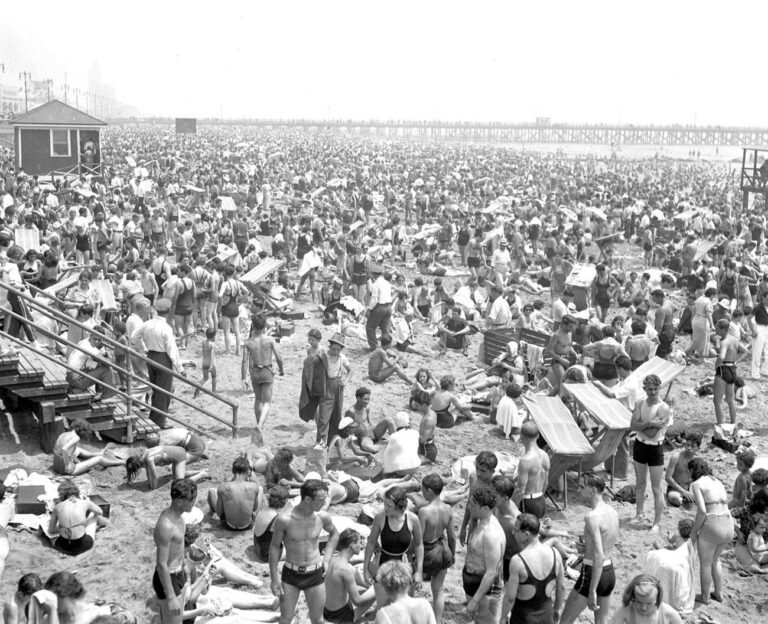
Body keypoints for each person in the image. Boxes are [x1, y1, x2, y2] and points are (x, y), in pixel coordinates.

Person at [269, 479, 339, 624]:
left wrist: (326, 560)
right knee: (285, 619)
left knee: (317, 620)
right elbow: (274, 547)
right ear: (307, 499)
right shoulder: (284, 519)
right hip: (291, 574)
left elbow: (334, 534)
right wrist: (274, 579)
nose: (325, 503)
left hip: (315, 573)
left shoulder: (322, 517)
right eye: (321, 500)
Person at [559, 474, 618, 624]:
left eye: (582, 487)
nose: (578, 491)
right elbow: (606, 544)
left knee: (565, 621)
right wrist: (587, 547)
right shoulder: (613, 512)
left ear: (593, 490)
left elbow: (599, 555)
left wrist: (592, 590)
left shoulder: (592, 517)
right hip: (609, 572)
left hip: (593, 573)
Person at [500, 512, 565, 624]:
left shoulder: (518, 561)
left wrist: (503, 618)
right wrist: (557, 610)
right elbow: (561, 588)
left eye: (516, 530)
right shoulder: (555, 554)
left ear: (526, 534)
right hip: (547, 616)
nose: (512, 532)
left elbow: (510, 597)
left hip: (524, 618)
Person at [688, 457, 733, 604]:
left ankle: (705, 597)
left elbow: (702, 511)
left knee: (706, 563)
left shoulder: (696, 484)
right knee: (715, 560)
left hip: (714, 525)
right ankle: (719, 593)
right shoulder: (717, 481)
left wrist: (694, 531)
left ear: (693, 470)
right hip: (728, 524)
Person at [154, 478, 198, 624]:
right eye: (191, 500)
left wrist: (184, 563)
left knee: (175, 618)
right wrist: (171, 596)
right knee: (175, 621)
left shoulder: (178, 517)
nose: (194, 502)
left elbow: (177, 547)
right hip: (168, 578)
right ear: (179, 501)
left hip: (178, 574)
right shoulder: (166, 526)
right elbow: (161, 564)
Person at [631, 374, 672, 532]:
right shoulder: (640, 402)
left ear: (660, 388)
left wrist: (641, 425)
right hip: (640, 445)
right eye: (650, 389)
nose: (653, 392)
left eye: (656, 389)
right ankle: (639, 513)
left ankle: (656, 522)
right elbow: (632, 425)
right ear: (645, 389)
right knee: (640, 483)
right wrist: (649, 422)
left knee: (656, 488)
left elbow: (652, 434)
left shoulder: (663, 408)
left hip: (655, 448)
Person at [134, 297, 182, 429]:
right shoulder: (166, 328)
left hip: (151, 356)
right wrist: (180, 368)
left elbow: (134, 337)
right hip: (162, 359)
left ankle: (154, 417)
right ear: (169, 311)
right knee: (163, 392)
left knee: (155, 388)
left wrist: (143, 348)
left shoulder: (147, 324)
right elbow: (172, 350)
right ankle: (159, 421)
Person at [364, 486, 424, 590]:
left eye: (389, 505)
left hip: (404, 566)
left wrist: (419, 571)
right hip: (383, 565)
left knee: (404, 600)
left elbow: (419, 545)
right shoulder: (380, 517)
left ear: (399, 506)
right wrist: (365, 569)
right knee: (382, 600)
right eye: (384, 504)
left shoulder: (412, 519)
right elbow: (371, 542)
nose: (385, 508)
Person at [463, 485, 506, 623]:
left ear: (485, 509)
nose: (468, 507)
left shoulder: (491, 534)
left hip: (485, 584)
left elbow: (491, 572)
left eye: (472, 504)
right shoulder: (480, 521)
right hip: (472, 577)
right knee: (477, 619)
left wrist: (475, 600)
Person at [418, 474, 455, 624]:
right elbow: (452, 537)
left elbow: (419, 540)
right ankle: (437, 621)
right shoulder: (448, 509)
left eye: (423, 490)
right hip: (444, 549)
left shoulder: (424, 511)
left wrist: (413, 557)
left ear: (429, 491)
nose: (422, 493)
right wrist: (453, 555)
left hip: (428, 552)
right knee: (438, 589)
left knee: (411, 587)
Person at [242, 313, 284, 444]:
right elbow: (278, 357)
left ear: (253, 326)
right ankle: (260, 425)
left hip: (255, 372)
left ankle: (259, 423)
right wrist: (281, 370)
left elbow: (244, 361)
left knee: (258, 399)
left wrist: (244, 377)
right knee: (267, 402)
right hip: (267, 370)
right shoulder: (270, 340)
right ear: (265, 325)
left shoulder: (248, 342)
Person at [642, 518, 697, 614]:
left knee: (652, 556)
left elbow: (673, 547)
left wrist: (668, 541)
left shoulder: (679, 539)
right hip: (678, 563)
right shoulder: (692, 544)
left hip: (673, 564)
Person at [323, 529, 375, 624]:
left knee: (353, 570)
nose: (361, 545)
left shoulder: (333, 559)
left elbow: (349, 566)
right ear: (352, 545)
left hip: (326, 611)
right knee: (375, 593)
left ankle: (369, 585)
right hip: (340, 617)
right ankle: (373, 587)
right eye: (360, 542)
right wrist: (374, 590)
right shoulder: (346, 570)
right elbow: (357, 601)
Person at [48, 480, 106, 556]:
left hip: (63, 547)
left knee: (54, 537)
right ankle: (105, 524)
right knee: (94, 514)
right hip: (83, 546)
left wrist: (64, 528)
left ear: (61, 494)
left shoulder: (57, 507)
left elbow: (51, 530)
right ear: (76, 492)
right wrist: (89, 503)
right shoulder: (85, 502)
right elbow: (100, 512)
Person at [207, 455, 261, 531]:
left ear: (233, 471)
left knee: (212, 491)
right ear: (247, 471)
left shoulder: (223, 487)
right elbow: (254, 508)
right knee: (260, 489)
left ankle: (211, 512)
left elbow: (219, 512)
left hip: (228, 526)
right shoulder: (254, 486)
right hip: (247, 526)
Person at [52, 420, 124, 476]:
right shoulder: (76, 438)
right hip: (66, 470)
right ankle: (121, 462)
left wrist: (78, 462)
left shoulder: (64, 434)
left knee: (78, 449)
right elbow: (64, 449)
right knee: (100, 459)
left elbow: (63, 451)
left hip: (56, 465)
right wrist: (67, 465)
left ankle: (98, 453)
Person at [126, 443, 208, 491]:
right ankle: (200, 471)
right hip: (176, 451)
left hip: (179, 456)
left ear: (139, 466)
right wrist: (149, 483)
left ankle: (202, 475)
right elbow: (148, 473)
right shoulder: (144, 455)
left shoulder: (149, 459)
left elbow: (154, 476)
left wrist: (153, 488)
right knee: (176, 474)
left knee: (179, 484)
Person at [65, 326, 117, 400]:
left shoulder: (84, 341)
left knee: (99, 365)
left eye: (99, 340)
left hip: (73, 377)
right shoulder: (87, 346)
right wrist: (106, 358)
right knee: (106, 369)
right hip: (76, 380)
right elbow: (108, 363)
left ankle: (99, 393)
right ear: (91, 335)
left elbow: (93, 362)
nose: (96, 342)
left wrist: (102, 354)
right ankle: (107, 397)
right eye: (95, 339)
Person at [713, 318, 748, 424]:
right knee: (730, 400)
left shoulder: (724, 341)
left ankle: (721, 425)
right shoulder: (734, 339)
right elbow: (745, 351)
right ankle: (733, 423)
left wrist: (717, 365)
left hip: (723, 370)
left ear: (723, 329)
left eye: (717, 328)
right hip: (733, 370)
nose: (715, 330)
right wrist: (736, 361)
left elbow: (722, 356)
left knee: (717, 401)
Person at [513, 421, 550, 519]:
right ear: (538, 436)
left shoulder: (525, 460)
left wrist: (512, 506)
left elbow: (520, 490)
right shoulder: (545, 456)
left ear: (521, 437)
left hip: (528, 502)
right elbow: (546, 483)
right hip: (541, 500)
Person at [611, 574, 682, 624]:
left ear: (657, 599)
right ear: (632, 597)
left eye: (649, 603)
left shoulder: (668, 613)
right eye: (639, 602)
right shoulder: (626, 611)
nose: (643, 608)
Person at [345, 386, 396, 453]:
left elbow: (369, 422)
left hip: (374, 432)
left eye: (368, 399)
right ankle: (380, 446)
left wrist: (379, 429)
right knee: (369, 448)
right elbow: (345, 428)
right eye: (365, 399)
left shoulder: (366, 408)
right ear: (358, 398)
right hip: (364, 437)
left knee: (388, 420)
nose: (367, 402)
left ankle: (396, 441)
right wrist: (350, 442)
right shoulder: (351, 412)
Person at [664, 431, 702, 507]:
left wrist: (690, 490)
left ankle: (687, 498)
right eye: (688, 445)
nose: (689, 448)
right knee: (676, 499)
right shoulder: (676, 457)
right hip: (675, 488)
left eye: (693, 446)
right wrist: (683, 491)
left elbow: (699, 477)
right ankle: (684, 498)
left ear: (698, 448)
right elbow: (668, 477)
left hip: (689, 487)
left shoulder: (698, 459)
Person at [382, 411, 422, 477]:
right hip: (415, 467)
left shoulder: (394, 436)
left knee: (391, 454)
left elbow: (387, 455)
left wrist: (386, 470)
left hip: (401, 470)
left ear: (397, 423)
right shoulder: (416, 433)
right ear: (408, 421)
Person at [366, 267, 393, 350]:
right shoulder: (387, 283)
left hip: (380, 307)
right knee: (385, 328)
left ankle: (374, 346)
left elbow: (374, 299)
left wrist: (369, 309)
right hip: (388, 306)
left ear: (373, 274)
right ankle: (386, 346)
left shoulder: (375, 285)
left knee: (370, 327)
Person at [193, 327, 217, 399]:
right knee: (214, 376)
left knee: (205, 378)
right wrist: (212, 365)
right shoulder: (212, 344)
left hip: (204, 362)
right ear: (213, 336)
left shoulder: (203, 342)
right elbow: (212, 355)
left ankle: (198, 387)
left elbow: (203, 352)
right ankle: (214, 391)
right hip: (210, 362)